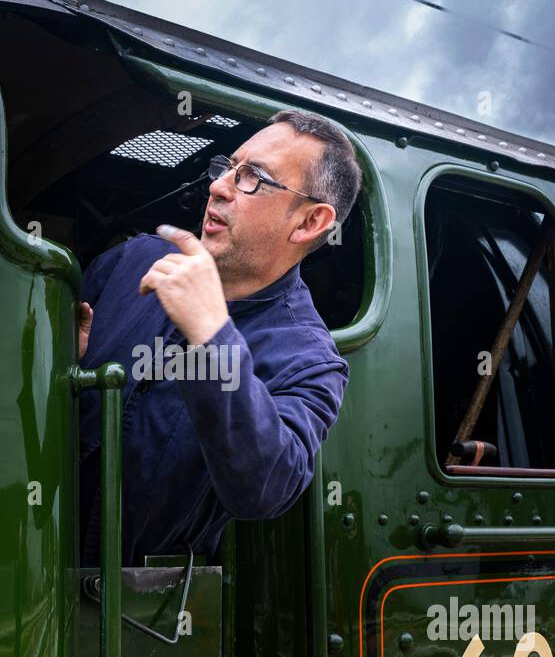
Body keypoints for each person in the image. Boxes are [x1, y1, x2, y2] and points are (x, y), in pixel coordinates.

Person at [77, 108, 361, 567]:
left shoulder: (310, 361)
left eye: (254, 178)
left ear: (309, 222)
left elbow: (265, 489)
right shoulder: (132, 260)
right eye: (228, 167)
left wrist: (211, 334)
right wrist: (65, 367)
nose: (218, 186)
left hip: (140, 619)